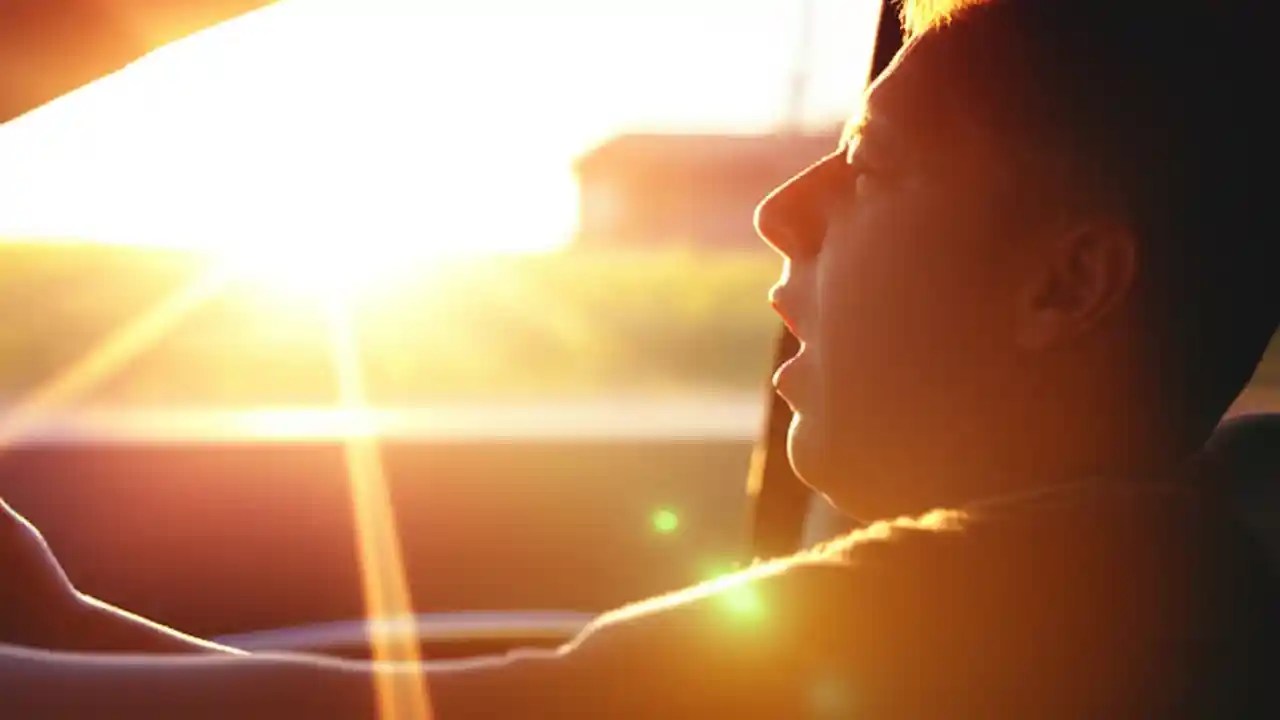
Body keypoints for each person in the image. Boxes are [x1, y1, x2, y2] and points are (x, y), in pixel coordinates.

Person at [3, 0, 1278, 716]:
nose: (779, 211)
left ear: (1066, 282)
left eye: (870, 164)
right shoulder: (1136, 558)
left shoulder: (1043, 601)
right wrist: (61, 621)